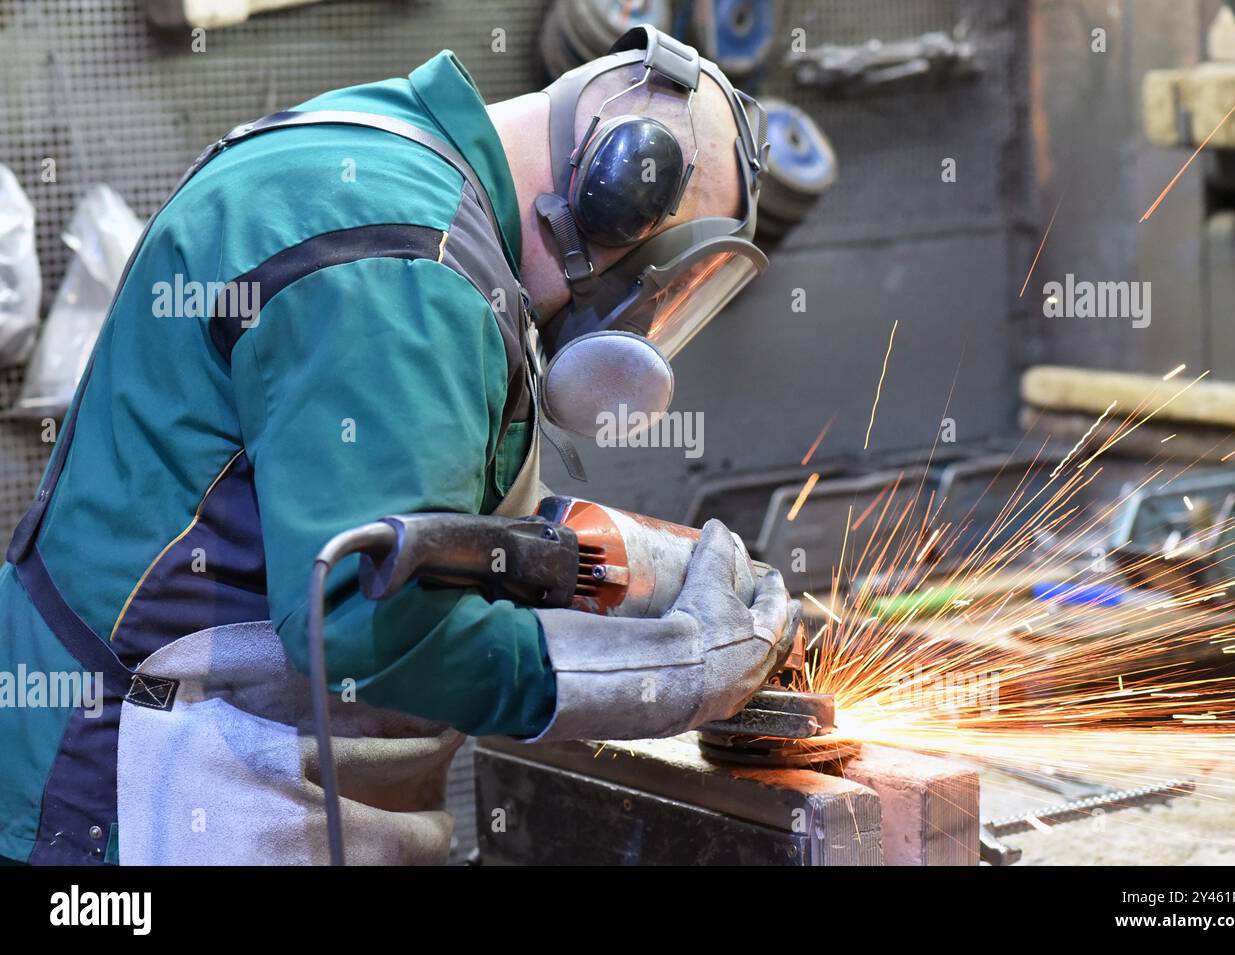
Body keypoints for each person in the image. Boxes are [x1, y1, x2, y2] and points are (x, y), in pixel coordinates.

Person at [0, 26, 792, 865]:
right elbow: (369, 626)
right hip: (116, 807)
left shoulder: (386, 157)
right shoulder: (407, 271)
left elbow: (418, 513)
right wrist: (674, 670)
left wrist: (640, 567)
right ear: (613, 193)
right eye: (646, 291)